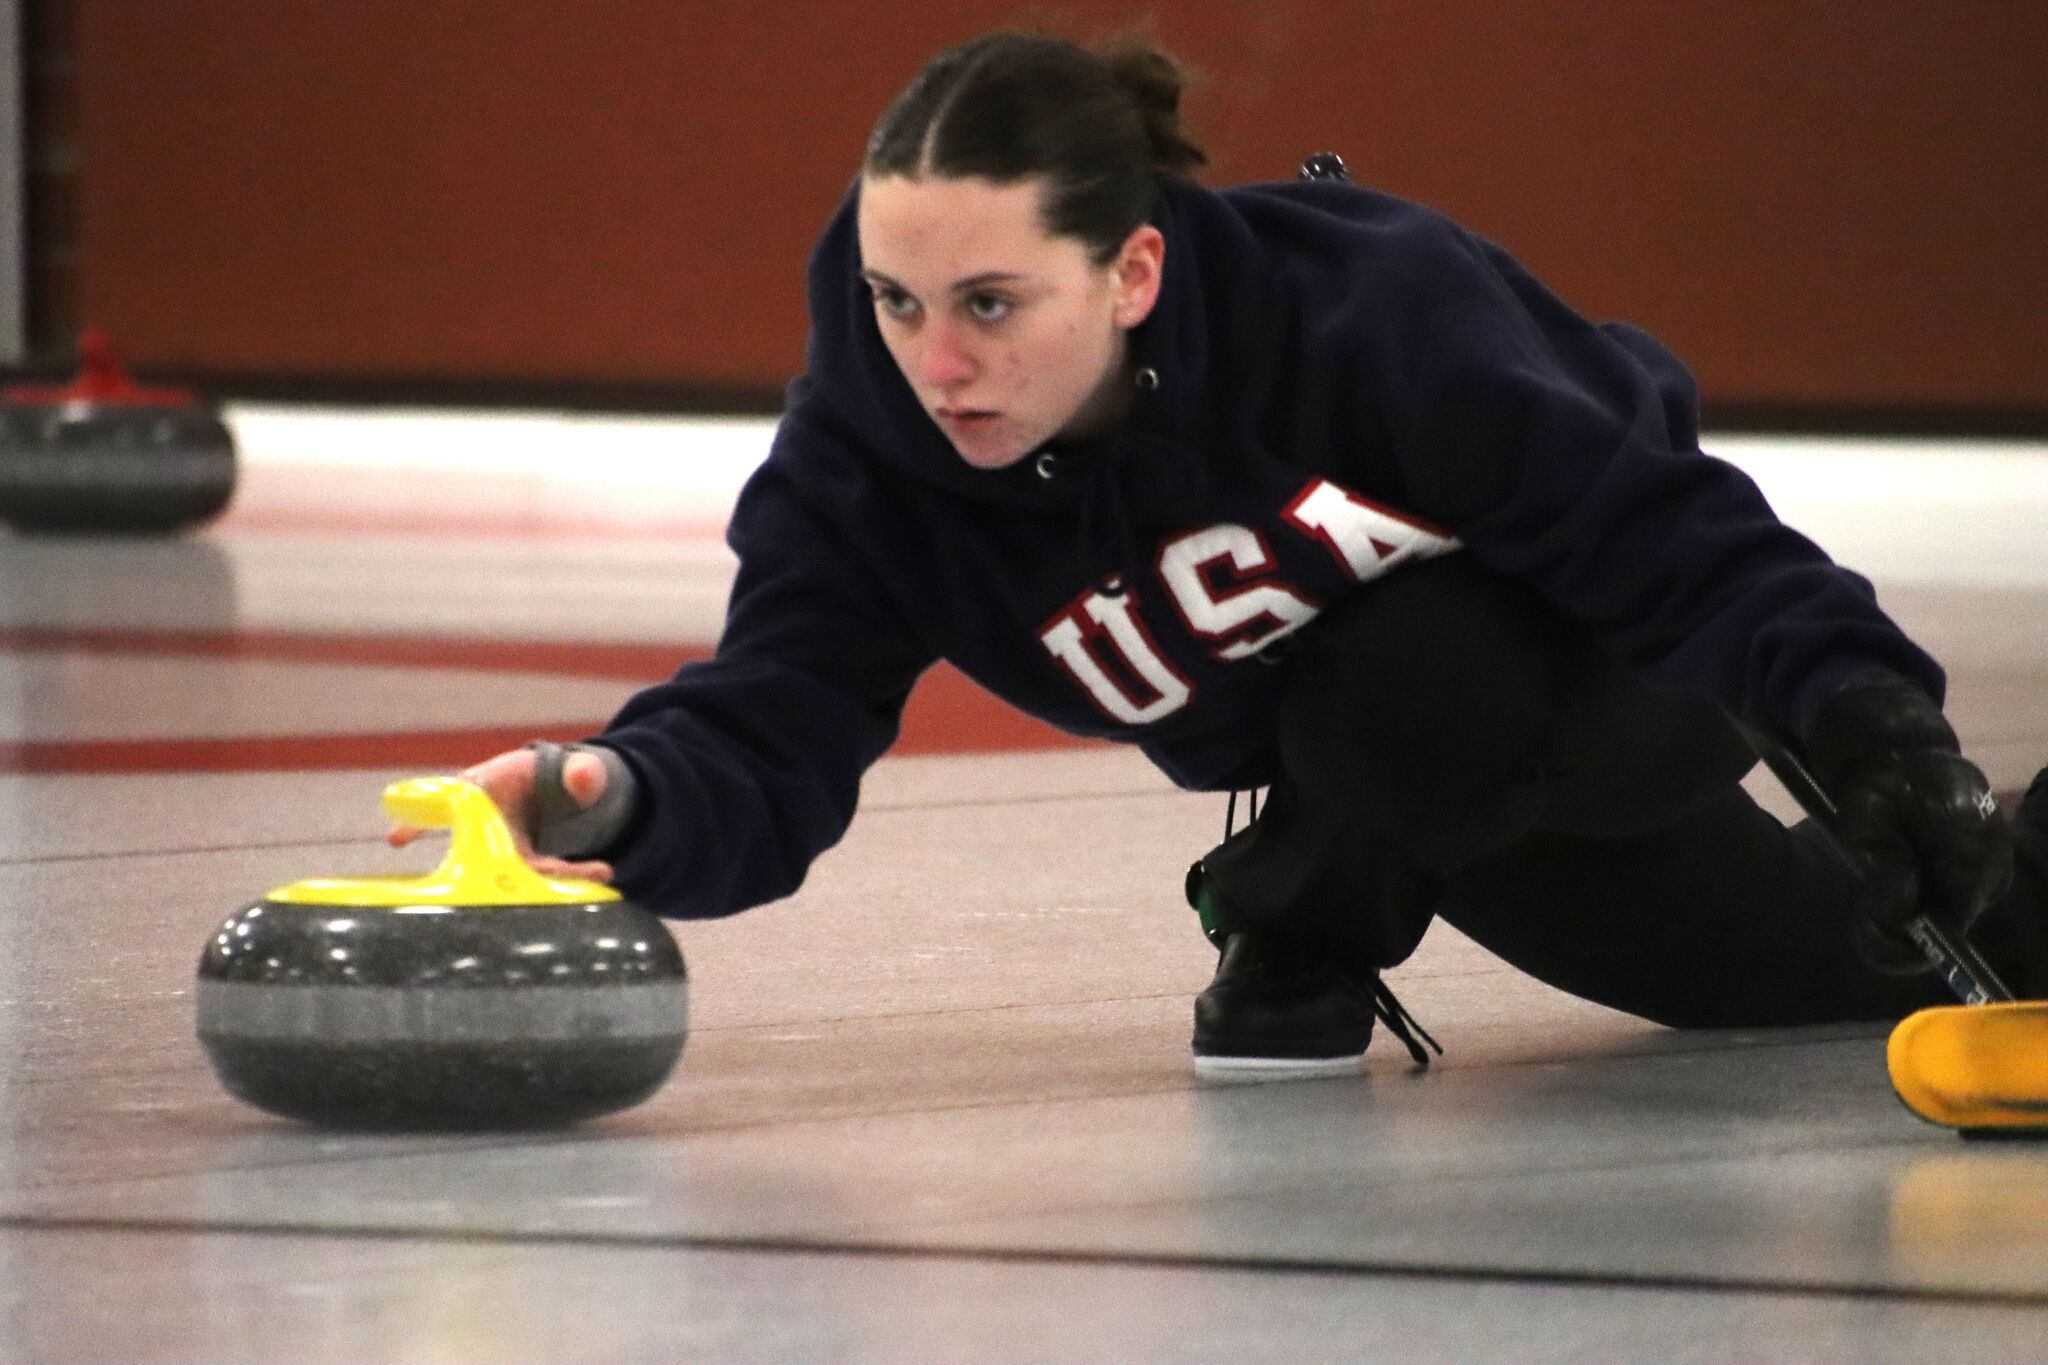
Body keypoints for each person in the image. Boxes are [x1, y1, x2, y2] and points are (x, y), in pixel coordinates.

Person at [392, 31, 2048, 1081]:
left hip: (1621, 672)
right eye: (897, 303)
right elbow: (771, 719)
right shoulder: (868, 463)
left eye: (989, 305)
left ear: (1128, 275)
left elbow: (1673, 539)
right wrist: (610, 788)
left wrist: (1874, 731)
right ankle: (1322, 904)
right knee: (1822, 969)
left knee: (1427, 671)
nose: (934, 363)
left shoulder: (1372, 315)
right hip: (1413, 778)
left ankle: (1302, 921)